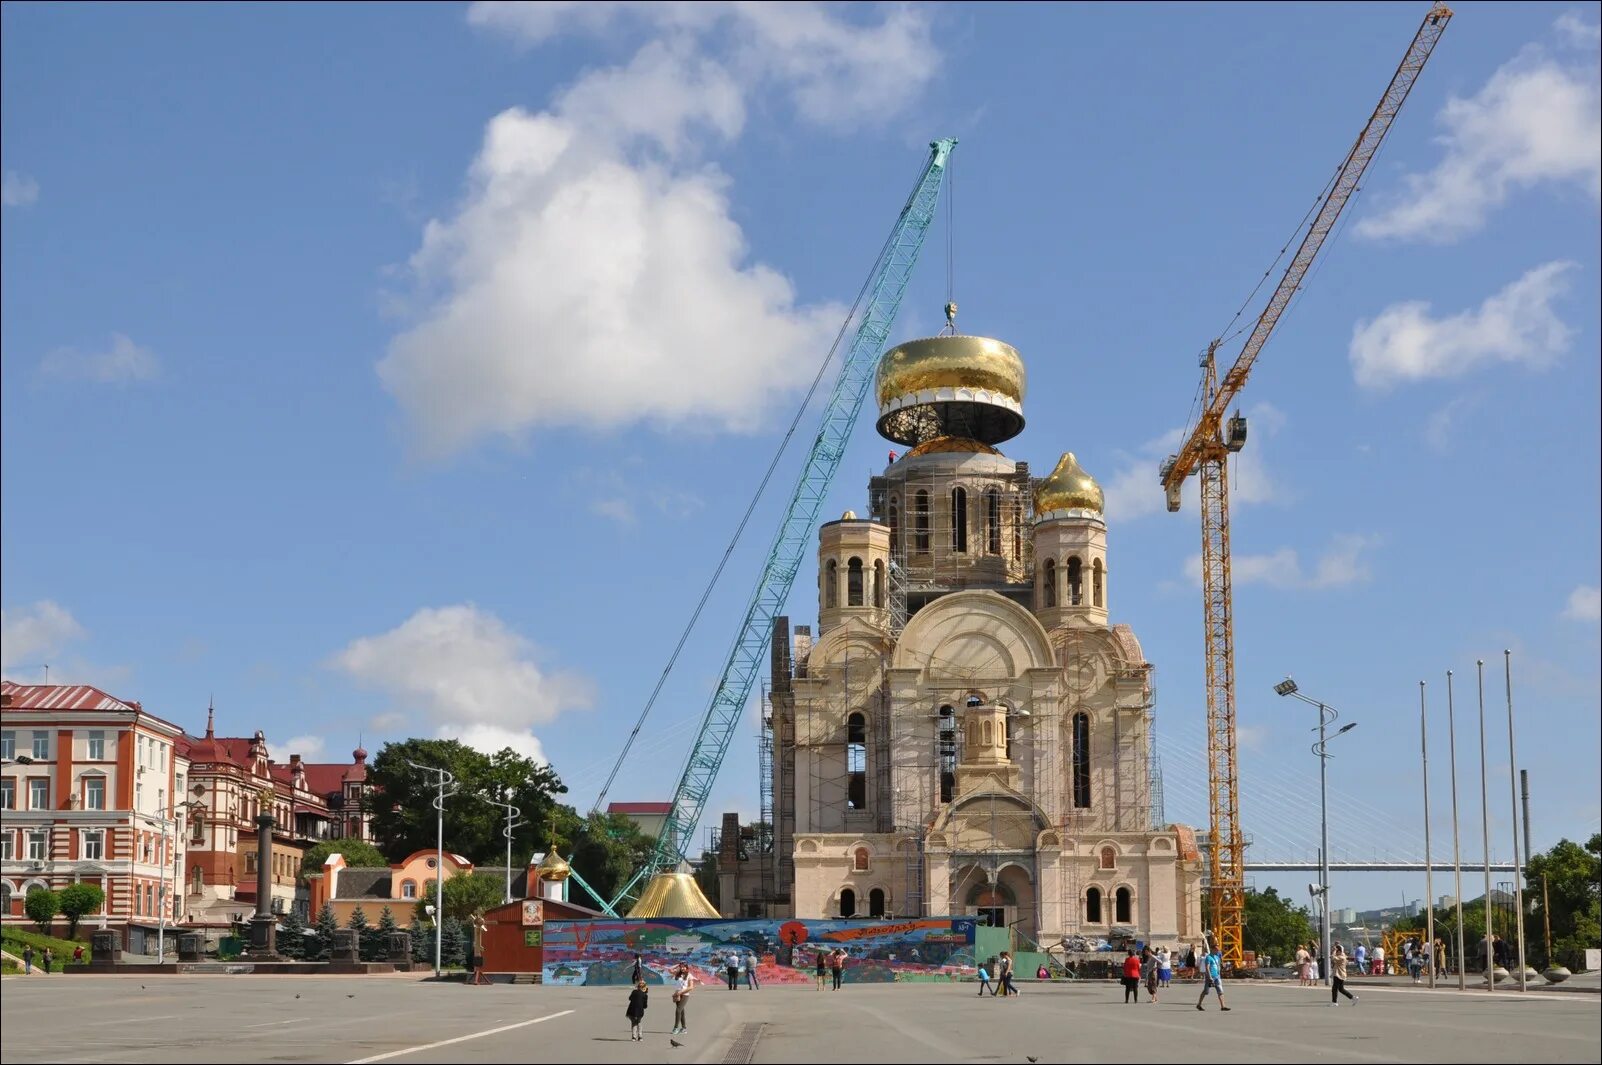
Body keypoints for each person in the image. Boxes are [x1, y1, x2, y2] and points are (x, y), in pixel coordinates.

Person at [1195, 940, 1230, 1012]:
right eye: (1216, 950)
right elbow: (1207, 967)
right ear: (1212, 949)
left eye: (1218, 950)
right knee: (1206, 992)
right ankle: (1199, 1004)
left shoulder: (1217, 957)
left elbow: (1218, 966)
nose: (1218, 951)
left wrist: (1221, 968)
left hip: (1217, 976)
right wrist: (1210, 977)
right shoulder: (1208, 957)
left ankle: (1223, 1006)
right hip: (1210, 977)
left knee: (1220, 991)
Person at [670, 963, 694, 1035]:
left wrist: (681, 992)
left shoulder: (689, 975)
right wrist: (677, 965)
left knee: (678, 1010)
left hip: (685, 995)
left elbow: (691, 987)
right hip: (678, 995)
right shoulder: (678, 974)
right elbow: (669, 969)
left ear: (686, 968)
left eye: (684, 967)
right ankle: (684, 1028)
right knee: (681, 1012)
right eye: (681, 967)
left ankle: (675, 1028)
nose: (682, 968)